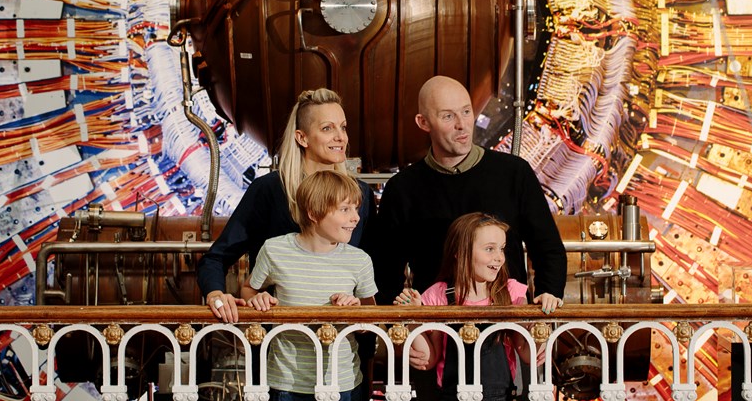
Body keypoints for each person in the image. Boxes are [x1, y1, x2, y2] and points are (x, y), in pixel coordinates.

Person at [372, 75, 567, 312]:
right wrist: (402, 323)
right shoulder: (402, 188)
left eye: (466, 112)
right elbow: (385, 271)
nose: (462, 124)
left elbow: (548, 248)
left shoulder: (514, 173)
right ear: (423, 122)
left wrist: (547, 298)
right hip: (436, 326)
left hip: (506, 322)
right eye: (448, 116)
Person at [199, 88, 376, 322]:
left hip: (341, 337)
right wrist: (216, 296)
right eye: (327, 128)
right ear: (302, 138)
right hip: (278, 335)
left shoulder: (361, 194)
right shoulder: (269, 190)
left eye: (343, 127)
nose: (341, 137)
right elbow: (216, 258)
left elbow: (372, 270)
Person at [243, 170, 377, 401]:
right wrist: (256, 299)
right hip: (285, 382)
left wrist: (356, 311)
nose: (356, 217)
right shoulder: (274, 250)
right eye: (345, 209)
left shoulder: (360, 260)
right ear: (314, 213)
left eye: (356, 209)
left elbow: (371, 320)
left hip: (342, 381)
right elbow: (248, 289)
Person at [395, 213, 529, 401]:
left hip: (501, 397)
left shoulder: (512, 293)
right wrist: (413, 317)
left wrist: (545, 311)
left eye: (502, 249)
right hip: (451, 396)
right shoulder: (438, 295)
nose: (499, 257)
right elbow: (427, 359)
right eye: (490, 249)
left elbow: (528, 353)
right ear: (460, 252)